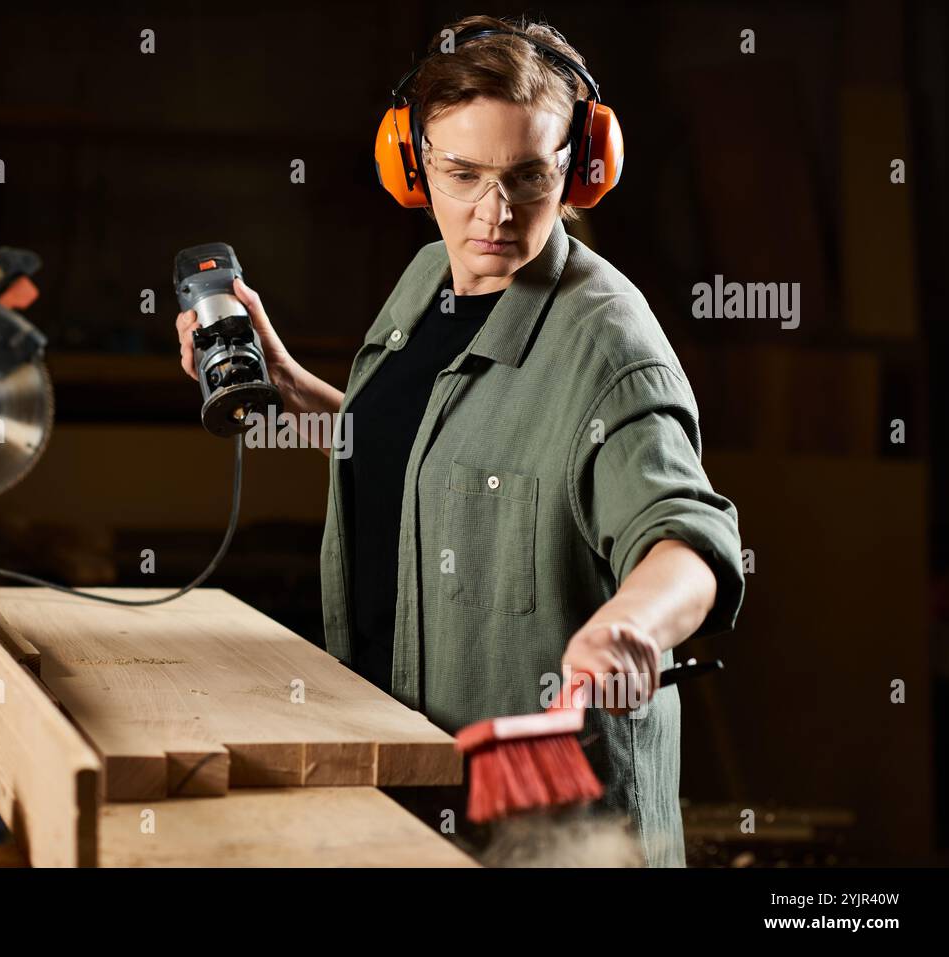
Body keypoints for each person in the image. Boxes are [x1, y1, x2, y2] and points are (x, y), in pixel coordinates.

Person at [175, 15, 744, 867]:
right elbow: (444, 457)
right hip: (403, 789)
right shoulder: (424, 283)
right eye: (462, 173)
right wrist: (297, 393)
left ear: (581, 168)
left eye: (528, 175)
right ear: (412, 166)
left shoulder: (608, 345)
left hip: (552, 838)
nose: (494, 211)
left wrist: (632, 624)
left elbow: (688, 539)